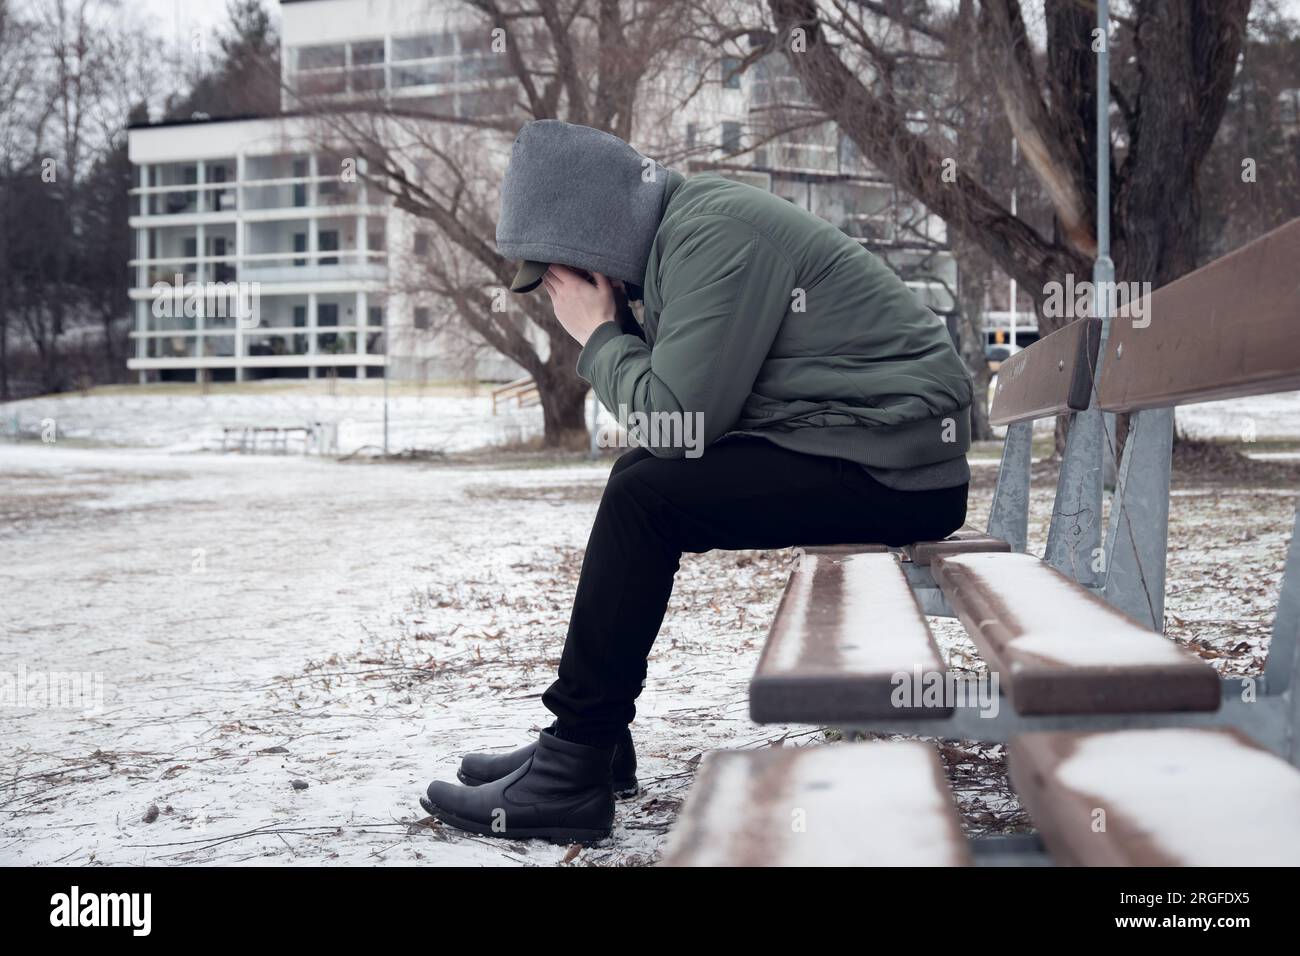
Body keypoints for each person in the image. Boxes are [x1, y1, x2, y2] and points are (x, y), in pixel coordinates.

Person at [421, 120, 972, 843]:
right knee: (639, 479)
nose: (562, 298)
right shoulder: (687, 236)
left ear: (594, 242)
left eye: (562, 277)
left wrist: (599, 334)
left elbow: (677, 419)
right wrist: (621, 327)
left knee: (644, 497)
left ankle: (573, 771)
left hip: (898, 467)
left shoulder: (713, 236)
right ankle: (593, 741)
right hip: (872, 446)